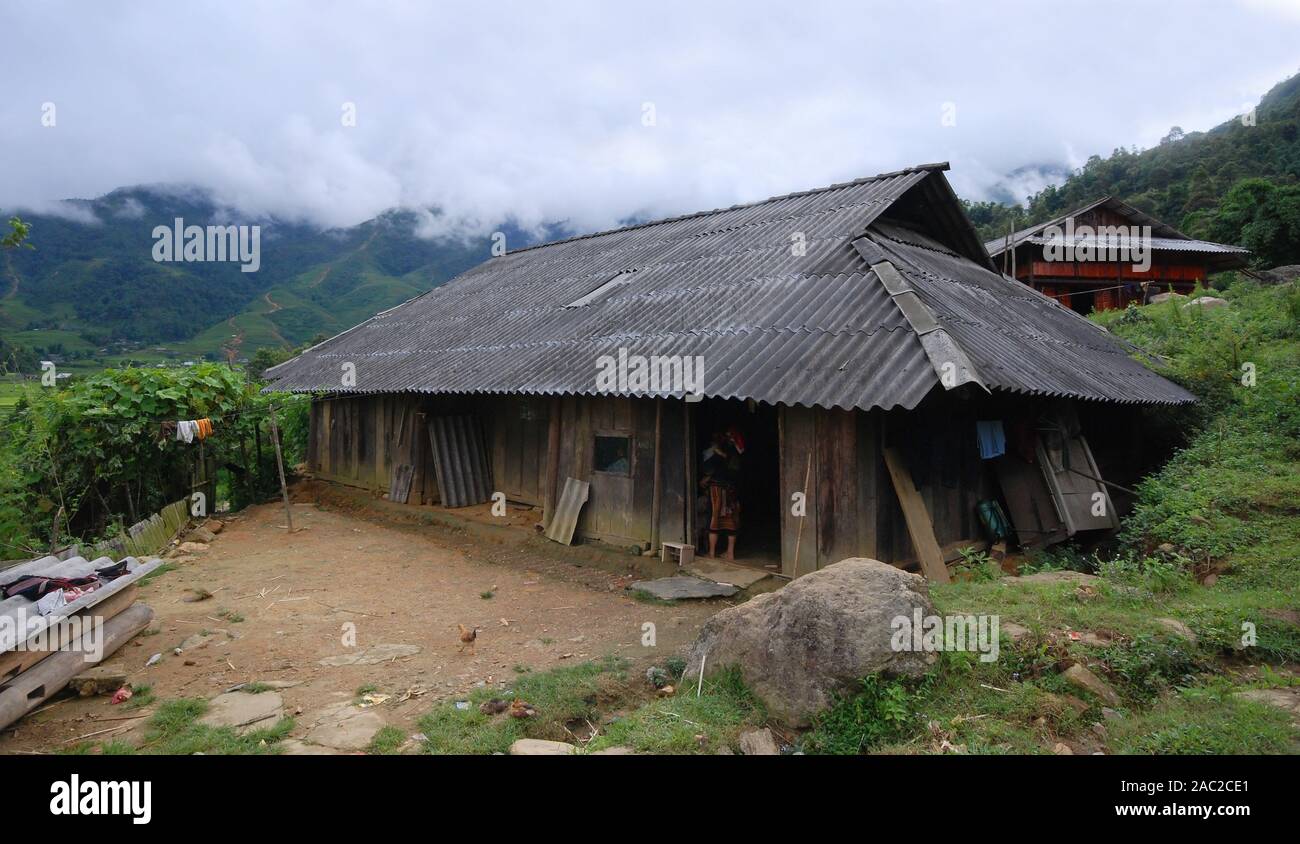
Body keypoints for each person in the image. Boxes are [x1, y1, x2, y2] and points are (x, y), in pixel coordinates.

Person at [700, 429, 743, 560]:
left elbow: (710, 472)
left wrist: (706, 479)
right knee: (731, 521)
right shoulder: (735, 454)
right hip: (730, 491)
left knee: (713, 521)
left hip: (717, 491)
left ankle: (712, 553)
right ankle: (730, 553)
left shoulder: (717, 454)